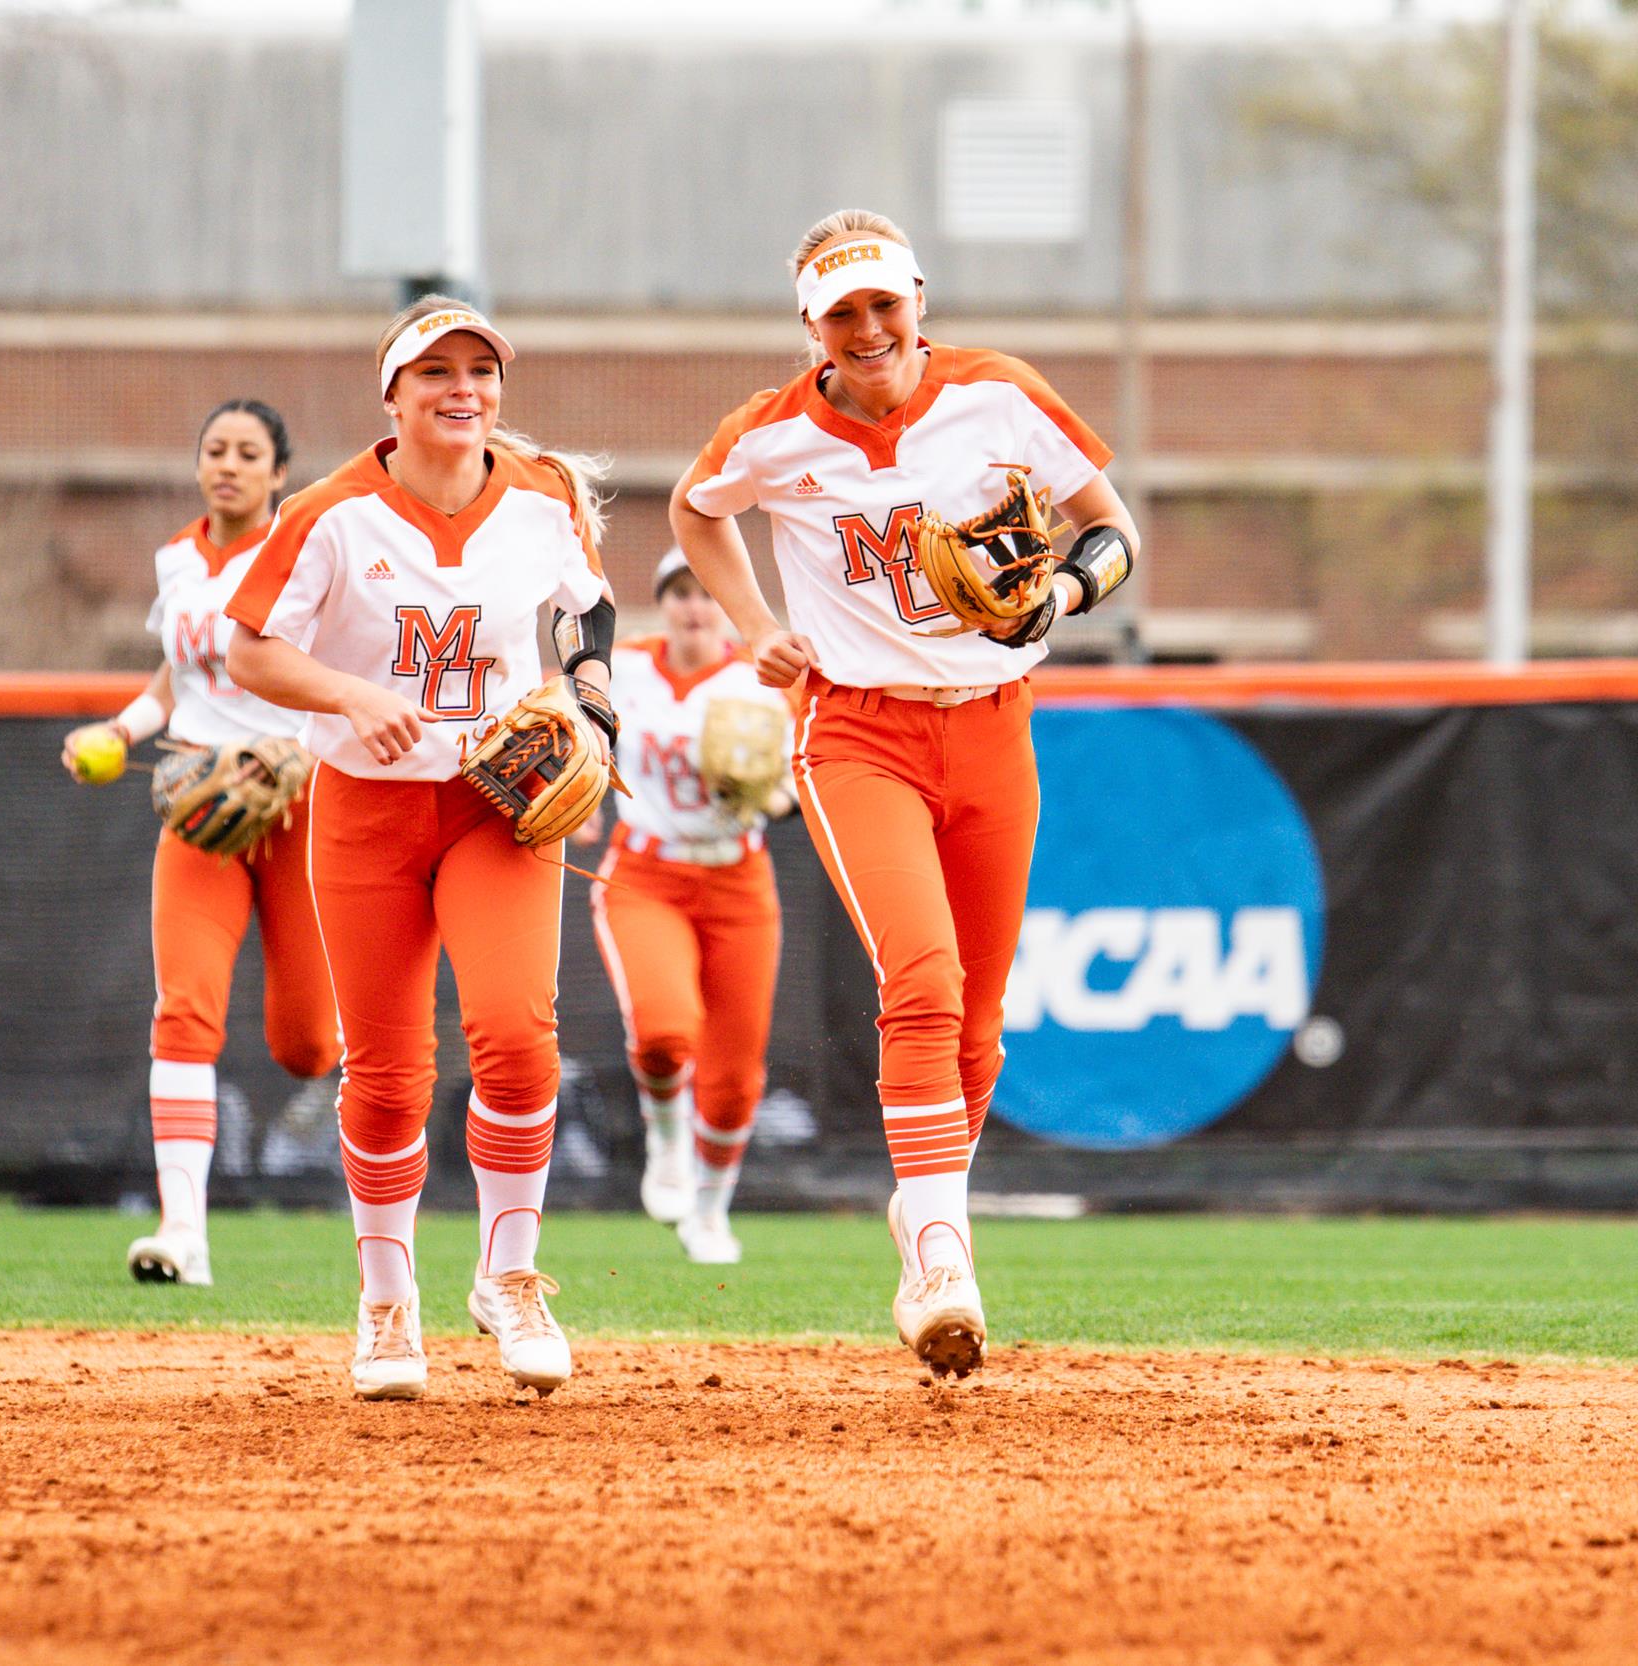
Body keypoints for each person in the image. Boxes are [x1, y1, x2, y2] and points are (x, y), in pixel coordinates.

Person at [669, 211, 1141, 1378]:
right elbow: (695, 507)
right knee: (920, 978)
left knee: (979, 1026)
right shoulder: (775, 434)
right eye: (843, 312)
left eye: (885, 302)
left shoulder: (999, 396)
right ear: (811, 328)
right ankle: (939, 1252)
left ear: (919, 297)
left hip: (993, 723)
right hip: (855, 731)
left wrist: (1063, 602)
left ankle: (922, 1206)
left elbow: (1111, 527)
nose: (869, 328)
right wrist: (756, 626)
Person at [223, 298, 619, 1401]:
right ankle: (387, 1299)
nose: (463, 390)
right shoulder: (334, 513)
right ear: (391, 395)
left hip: (497, 802)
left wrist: (592, 704)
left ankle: (509, 1276)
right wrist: (349, 692)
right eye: (436, 371)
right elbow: (249, 649)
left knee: (518, 1038)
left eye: (480, 372)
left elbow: (588, 617)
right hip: (366, 807)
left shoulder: (538, 500)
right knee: (390, 1072)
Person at [61, 398, 340, 1290]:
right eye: (214, 448)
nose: (228, 464)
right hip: (200, 807)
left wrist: (301, 748)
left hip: (296, 806)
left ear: (279, 472)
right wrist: (122, 727)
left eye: (248, 452)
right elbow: (172, 681)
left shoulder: (304, 549)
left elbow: (345, 669)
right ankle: (184, 1231)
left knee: (307, 1048)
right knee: (183, 1012)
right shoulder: (178, 559)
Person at [589, 549, 790, 1265]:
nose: (694, 606)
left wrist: (774, 796)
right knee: (666, 1034)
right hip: (647, 872)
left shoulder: (765, 680)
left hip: (737, 882)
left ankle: (709, 1211)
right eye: (679, 592)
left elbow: (799, 784)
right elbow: (575, 732)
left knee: (735, 1079)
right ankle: (666, 1135)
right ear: (662, 601)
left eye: (706, 592)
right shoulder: (624, 667)